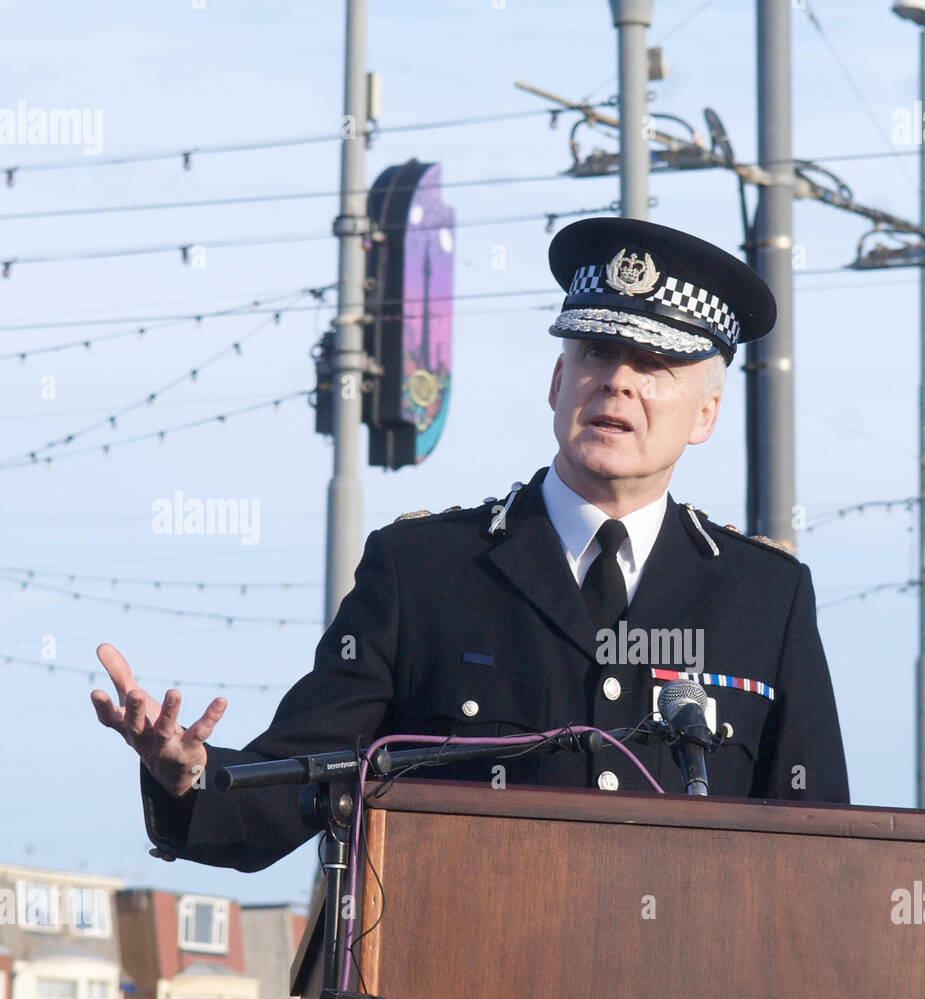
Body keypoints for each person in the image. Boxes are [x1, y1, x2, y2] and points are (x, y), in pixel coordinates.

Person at [90, 217, 851, 873]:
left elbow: (819, 848)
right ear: (558, 381)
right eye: (593, 353)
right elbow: (292, 788)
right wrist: (186, 777)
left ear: (705, 414)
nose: (615, 382)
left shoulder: (765, 597)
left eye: (651, 366)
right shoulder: (424, 571)